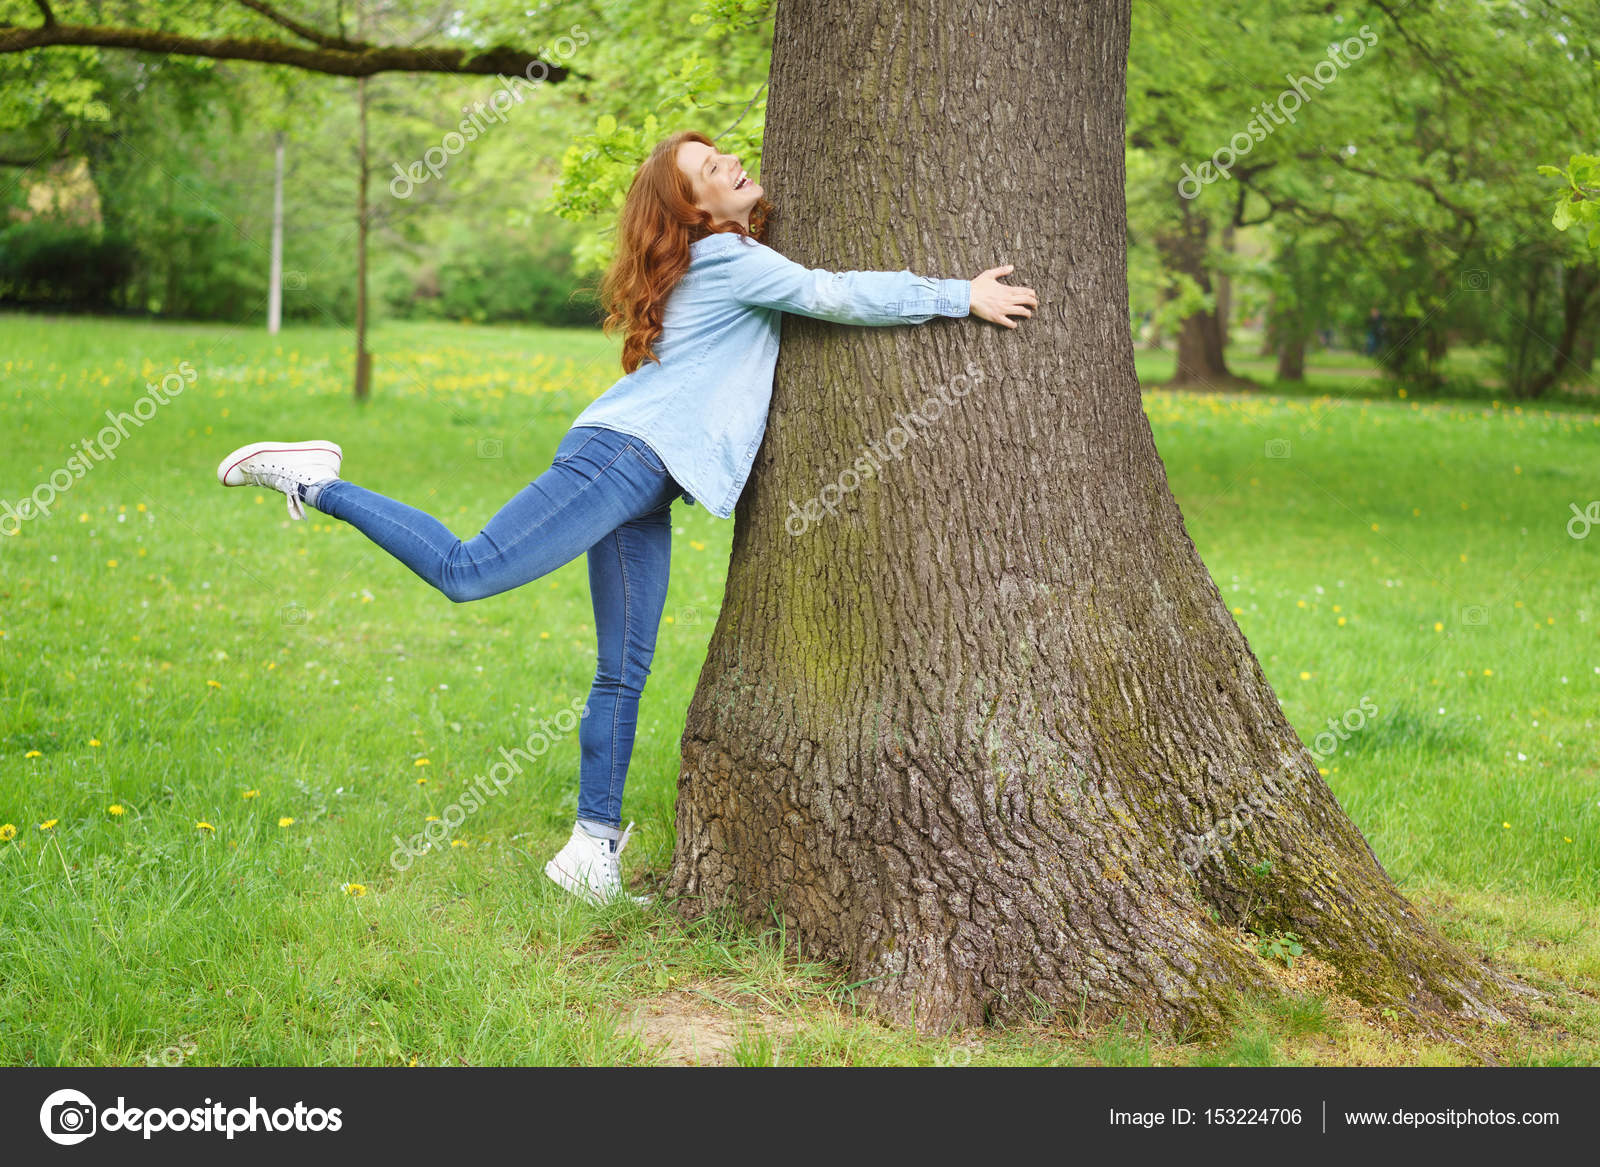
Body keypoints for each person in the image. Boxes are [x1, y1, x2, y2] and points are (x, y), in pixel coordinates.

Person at [215, 129, 1038, 905]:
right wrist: (957, 295)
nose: (727, 164)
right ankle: (315, 479)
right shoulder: (727, 260)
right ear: (694, 213)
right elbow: (833, 294)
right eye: (705, 171)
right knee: (468, 570)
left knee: (623, 670)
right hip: (621, 457)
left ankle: (590, 852)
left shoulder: (727, 251)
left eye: (719, 155)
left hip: (649, 474)